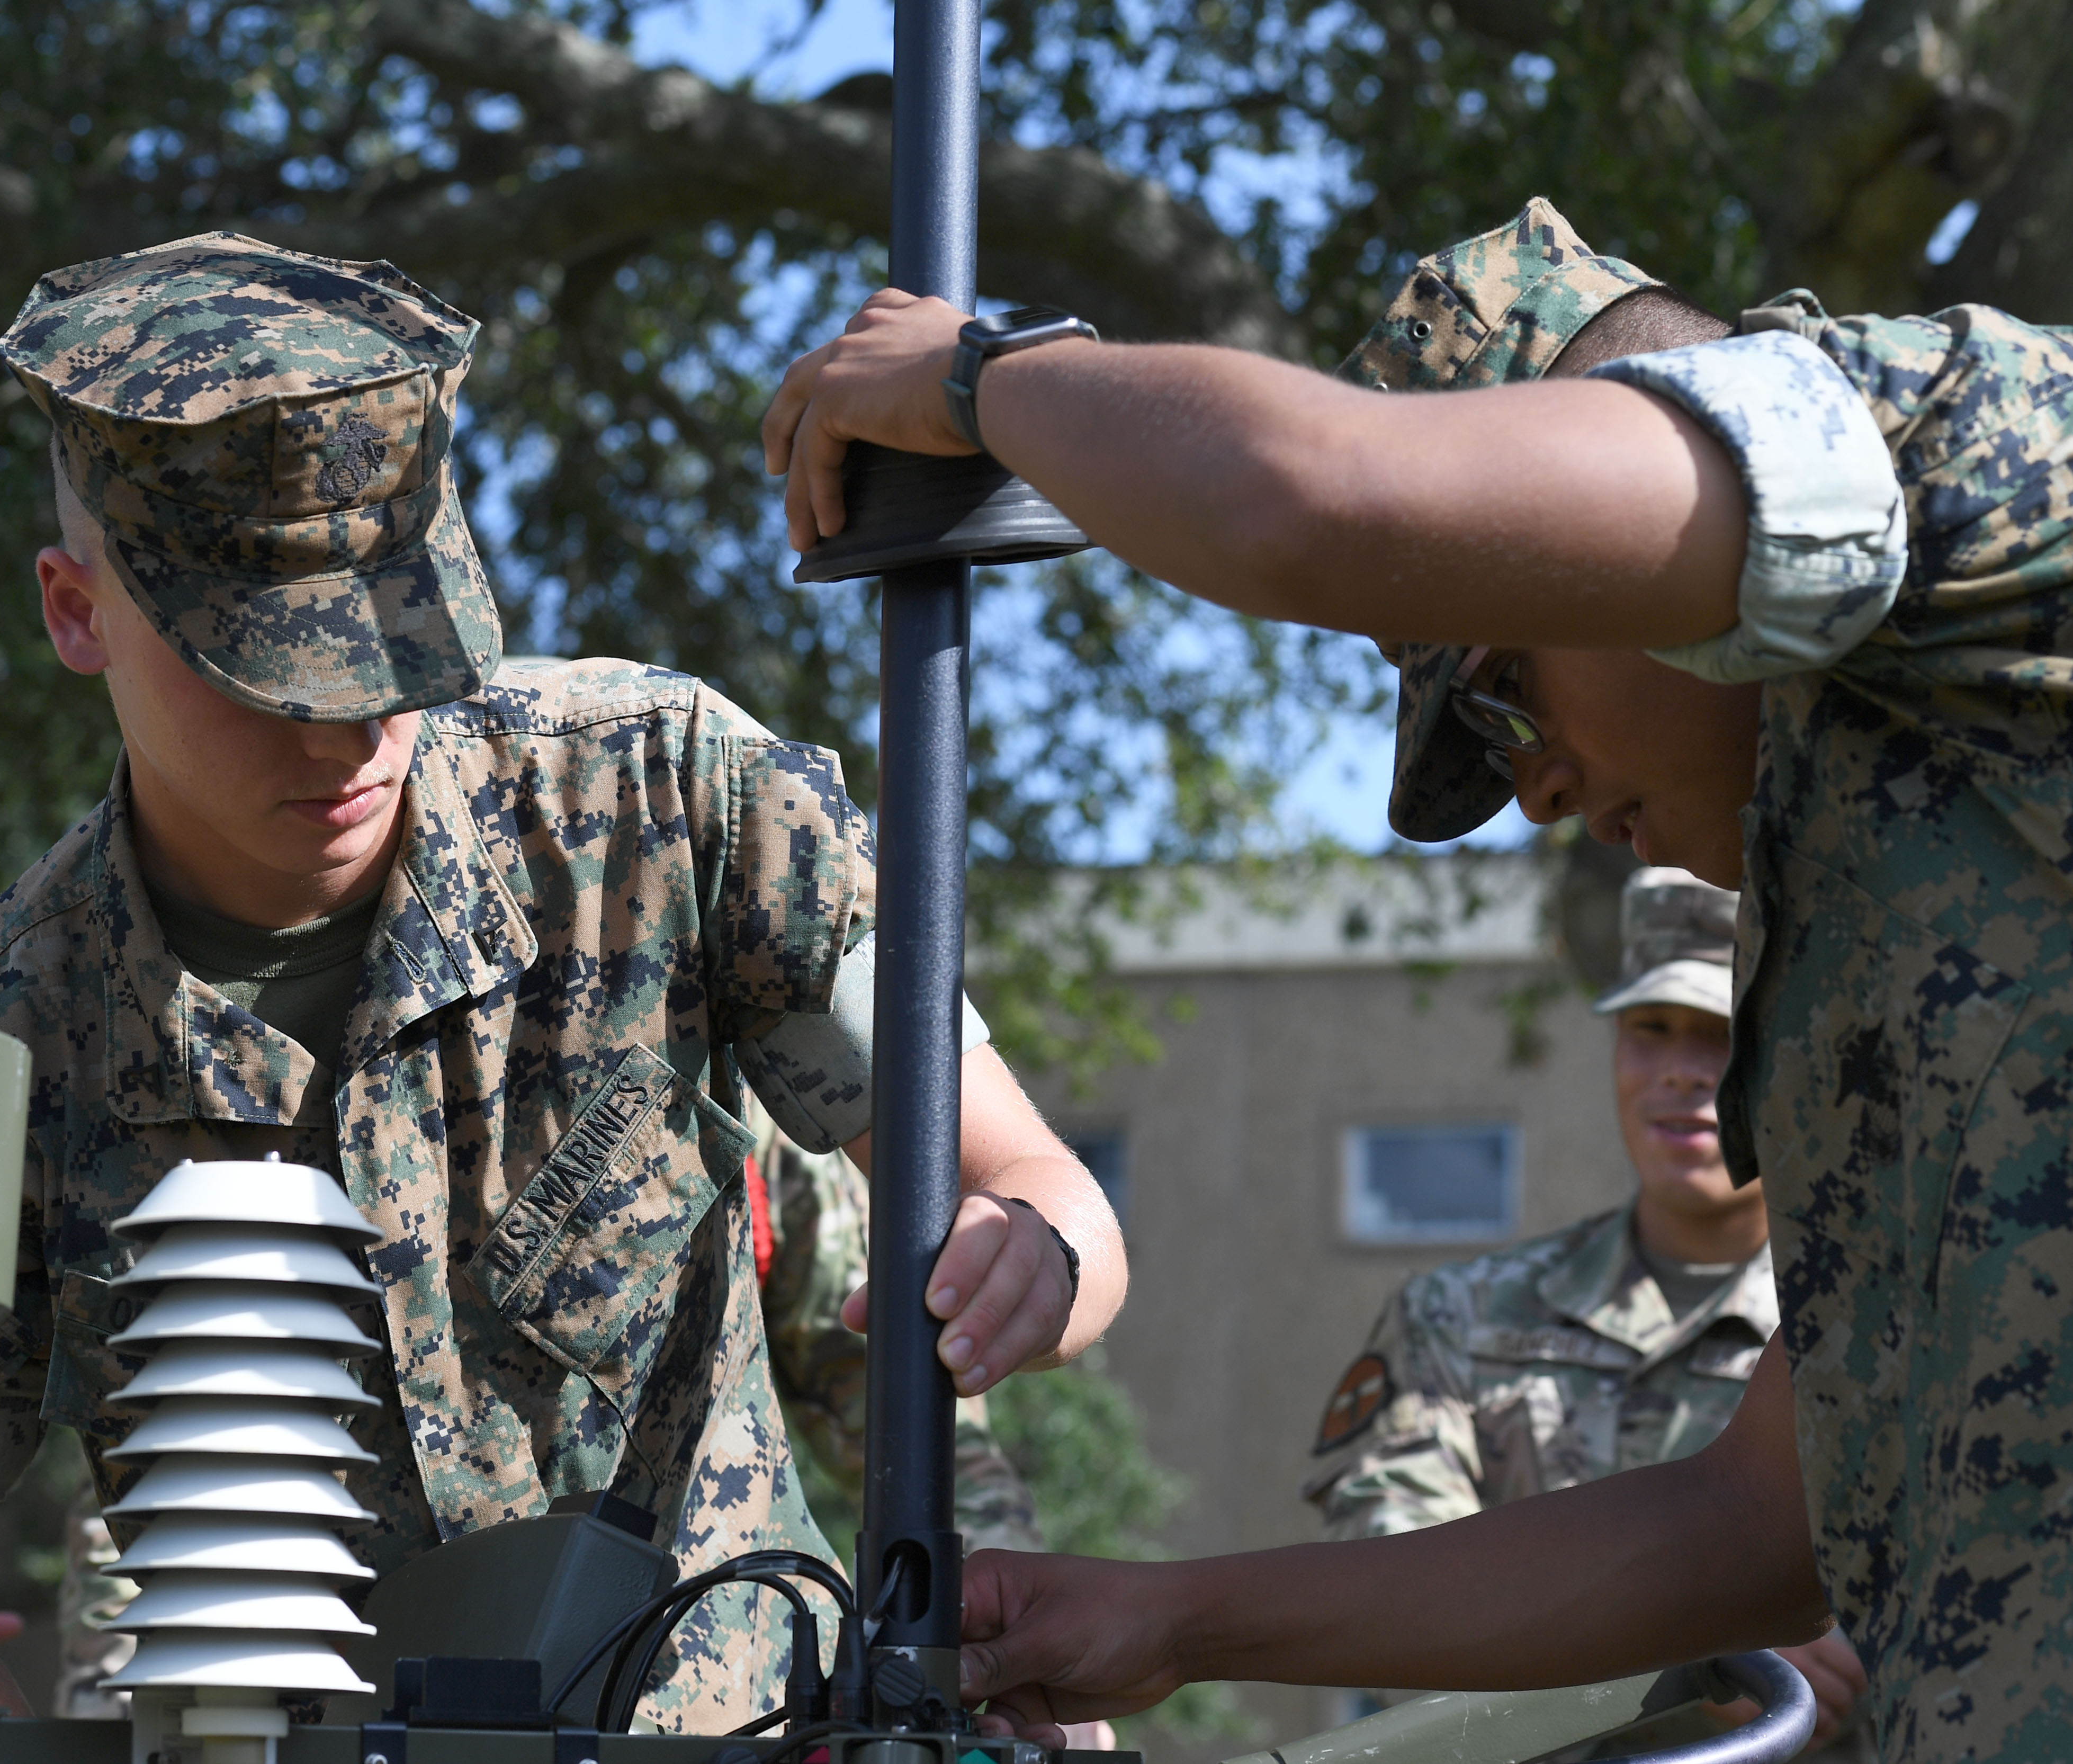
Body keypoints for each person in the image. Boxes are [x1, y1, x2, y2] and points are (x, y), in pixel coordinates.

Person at [763, 195, 2073, 1758]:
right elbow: (1746, 1527)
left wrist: (984, 377)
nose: (1537, 792)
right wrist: (1171, 1619)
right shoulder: (1852, 919)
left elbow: (1302, 498)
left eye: (1505, 692)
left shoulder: (1963, 451)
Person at [0, 233, 1126, 1727]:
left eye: (395, 646)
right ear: (75, 611)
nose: (343, 732)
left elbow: (1043, 1193)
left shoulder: (661, 796)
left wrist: (1034, 1256)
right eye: (262, 669)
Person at [42, 1093, 1066, 1720]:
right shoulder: (234, 1101)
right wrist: (109, 1700)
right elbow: (186, 1476)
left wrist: (991, 1656)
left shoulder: (740, 1114)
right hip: (305, 1699)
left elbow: (907, 1417)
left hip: (697, 1699)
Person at [1306, 867, 1866, 1750]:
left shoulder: (1883, 1327)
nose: (1679, 1071)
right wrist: (1694, 1646)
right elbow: (1388, 1599)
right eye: (1650, 1029)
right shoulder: (1456, 1320)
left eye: (1723, 1032)